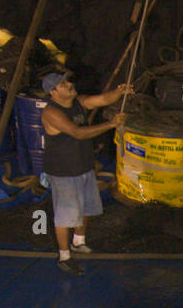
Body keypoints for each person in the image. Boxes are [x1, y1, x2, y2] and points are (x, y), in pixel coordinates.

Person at [40, 71, 129, 275]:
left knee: (86, 207)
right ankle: (64, 256)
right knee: (65, 215)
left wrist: (119, 92)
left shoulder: (79, 101)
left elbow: (103, 99)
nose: (69, 84)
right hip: (64, 171)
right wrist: (110, 124)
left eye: (68, 80)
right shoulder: (51, 113)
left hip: (84, 166)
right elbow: (77, 133)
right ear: (53, 92)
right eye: (63, 84)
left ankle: (78, 242)